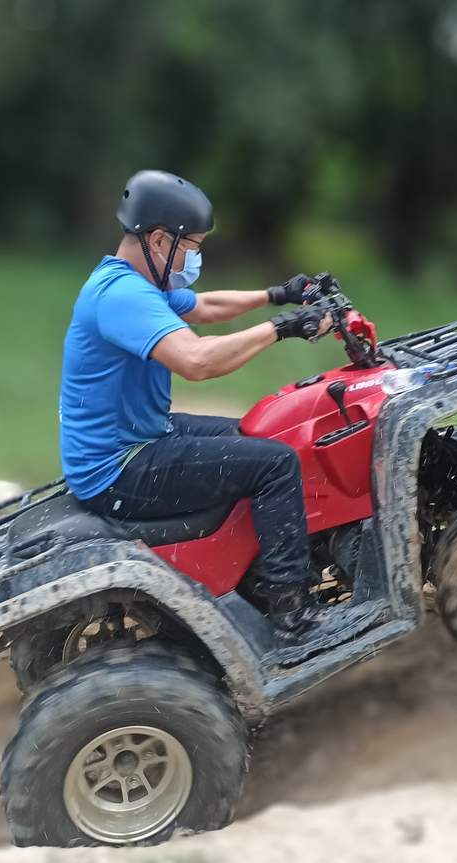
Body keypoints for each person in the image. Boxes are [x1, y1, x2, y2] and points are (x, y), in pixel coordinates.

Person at [58, 169, 330, 636]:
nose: (196, 257)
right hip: (119, 469)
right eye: (194, 246)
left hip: (137, 439)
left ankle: (257, 573)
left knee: (256, 433)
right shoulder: (122, 296)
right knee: (277, 464)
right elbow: (197, 362)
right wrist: (284, 328)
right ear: (160, 240)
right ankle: (290, 609)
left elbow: (205, 307)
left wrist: (278, 294)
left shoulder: (135, 283)